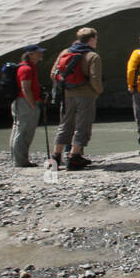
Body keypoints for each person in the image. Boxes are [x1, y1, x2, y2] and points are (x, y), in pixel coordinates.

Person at [51, 27, 104, 171]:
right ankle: (74, 157)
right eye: (96, 39)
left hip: (68, 95)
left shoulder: (65, 52)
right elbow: (95, 79)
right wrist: (98, 92)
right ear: (92, 39)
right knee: (82, 126)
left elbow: (53, 73)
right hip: (86, 95)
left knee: (65, 124)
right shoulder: (93, 56)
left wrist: (66, 86)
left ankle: (55, 157)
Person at [9, 45, 45, 167]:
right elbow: (25, 88)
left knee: (19, 130)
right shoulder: (26, 69)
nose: (40, 54)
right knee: (23, 131)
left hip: (22, 102)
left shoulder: (29, 67)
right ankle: (20, 161)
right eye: (38, 52)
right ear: (30, 54)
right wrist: (32, 104)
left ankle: (18, 160)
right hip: (25, 103)